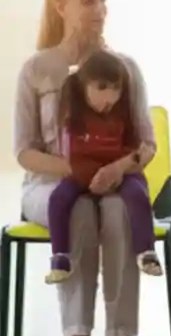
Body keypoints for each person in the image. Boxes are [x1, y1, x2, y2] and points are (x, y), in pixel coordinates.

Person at [13, 0, 156, 336]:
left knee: (116, 212)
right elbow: (24, 152)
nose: (101, 8)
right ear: (61, 6)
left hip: (115, 181)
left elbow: (146, 143)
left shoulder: (124, 67)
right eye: (89, 0)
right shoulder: (36, 68)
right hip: (51, 187)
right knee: (76, 207)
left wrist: (118, 168)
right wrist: (76, 171)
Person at [45, 51, 163, 285]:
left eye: (116, 89)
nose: (110, 97)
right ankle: (60, 257)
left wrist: (118, 170)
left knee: (137, 194)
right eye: (101, 88)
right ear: (84, 85)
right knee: (58, 199)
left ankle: (146, 251)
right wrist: (93, 178)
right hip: (83, 173)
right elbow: (72, 158)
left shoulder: (123, 112)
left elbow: (139, 151)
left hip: (123, 171)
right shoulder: (72, 114)